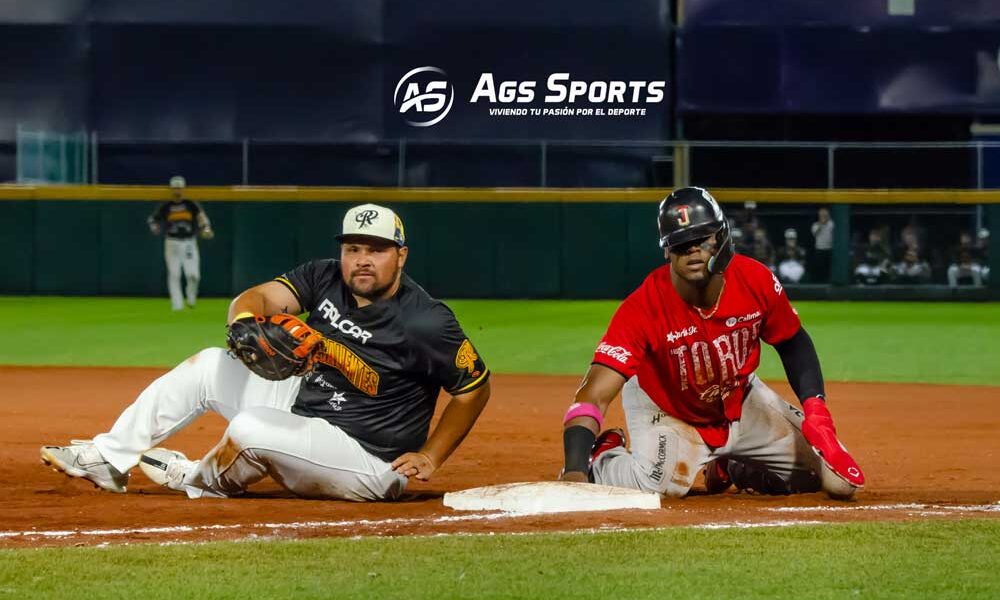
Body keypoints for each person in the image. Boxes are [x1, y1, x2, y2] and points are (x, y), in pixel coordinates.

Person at [41, 203, 491, 501]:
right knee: (210, 365)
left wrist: (432, 456)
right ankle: (110, 458)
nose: (363, 260)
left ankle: (198, 479)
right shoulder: (324, 276)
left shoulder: (425, 321)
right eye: (354, 249)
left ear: (401, 256)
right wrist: (243, 322)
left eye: (377, 250)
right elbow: (258, 297)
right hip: (308, 410)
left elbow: (475, 387)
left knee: (250, 428)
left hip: (368, 459)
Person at [558, 187, 864, 500]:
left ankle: (731, 466)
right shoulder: (643, 307)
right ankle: (602, 459)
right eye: (680, 243)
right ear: (666, 250)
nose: (693, 250)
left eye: (702, 238)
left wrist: (815, 408)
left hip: (739, 400)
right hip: (667, 408)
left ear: (721, 238)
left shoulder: (754, 279)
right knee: (659, 485)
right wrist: (576, 468)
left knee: (832, 480)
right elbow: (593, 394)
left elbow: (792, 340)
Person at [147, 176, 214, 311]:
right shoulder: (166, 206)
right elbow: (152, 219)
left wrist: (206, 228)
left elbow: (202, 218)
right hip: (172, 242)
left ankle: (191, 297)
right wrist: (154, 227)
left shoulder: (191, 205)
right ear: (171, 189)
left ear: (183, 189)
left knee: (193, 275)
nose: (177, 190)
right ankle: (177, 305)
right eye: (175, 188)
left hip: (189, 242)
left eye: (179, 188)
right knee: (174, 274)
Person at [810, 207, 834, 283]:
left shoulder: (832, 224)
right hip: (819, 251)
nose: (823, 215)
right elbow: (815, 233)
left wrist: (827, 220)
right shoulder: (815, 225)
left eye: (825, 214)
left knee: (829, 271)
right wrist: (821, 224)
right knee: (819, 271)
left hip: (830, 250)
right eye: (821, 214)